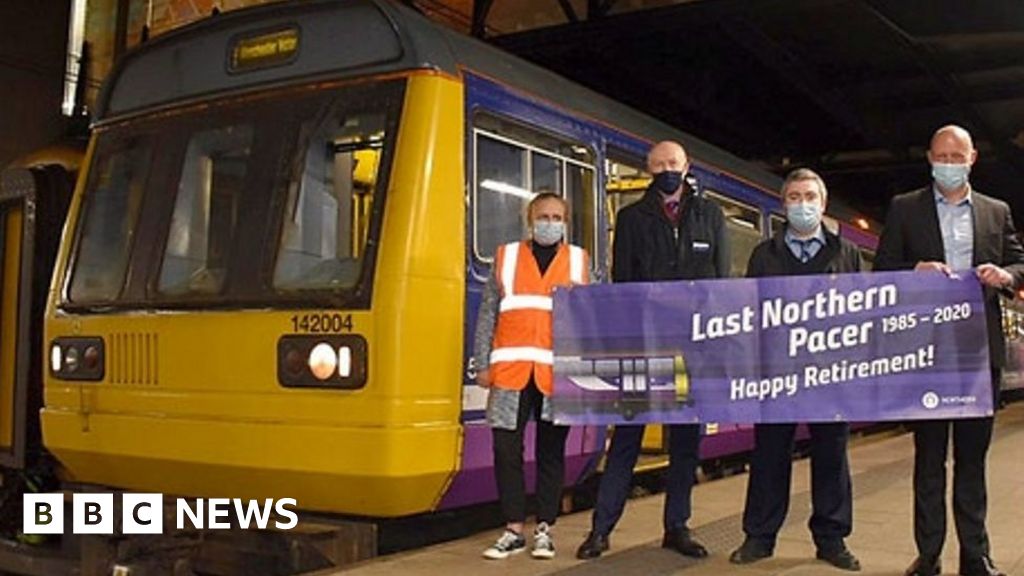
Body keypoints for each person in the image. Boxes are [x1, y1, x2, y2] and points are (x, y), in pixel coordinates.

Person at [875, 125, 1024, 576]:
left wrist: (1006, 275)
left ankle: (975, 556)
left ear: (972, 158)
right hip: (926, 357)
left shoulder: (996, 212)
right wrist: (912, 270)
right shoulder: (904, 209)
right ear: (929, 157)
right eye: (941, 155)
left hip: (979, 356)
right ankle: (929, 555)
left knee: (972, 464)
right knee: (928, 462)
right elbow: (882, 271)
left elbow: (1020, 263)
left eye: (957, 156)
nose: (949, 162)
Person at [576, 140, 729, 560]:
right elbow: (624, 283)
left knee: (685, 444)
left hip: (694, 349)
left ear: (687, 165)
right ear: (648, 168)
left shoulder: (710, 216)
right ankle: (601, 529)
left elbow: (719, 284)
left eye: (673, 163)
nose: (667, 169)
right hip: (643, 347)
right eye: (659, 164)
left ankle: (677, 527)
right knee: (626, 439)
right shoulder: (631, 218)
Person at [729, 168, 862, 571]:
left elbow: (859, 312)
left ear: (822, 204)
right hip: (776, 372)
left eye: (810, 197)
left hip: (829, 371)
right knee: (769, 453)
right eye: (794, 197)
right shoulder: (764, 254)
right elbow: (750, 315)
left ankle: (832, 539)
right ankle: (759, 537)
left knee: (832, 455)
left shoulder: (846, 253)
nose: (802, 204)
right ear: (784, 205)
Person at [474, 192, 591, 560]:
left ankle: (545, 528)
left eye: (557, 217)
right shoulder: (506, 257)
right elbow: (488, 314)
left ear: (565, 223)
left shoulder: (578, 261)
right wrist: (481, 363)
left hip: (556, 375)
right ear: (530, 218)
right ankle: (512, 529)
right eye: (544, 216)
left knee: (550, 452)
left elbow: (590, 320)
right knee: (506, 450)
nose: (550, 223)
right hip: (509, 372)